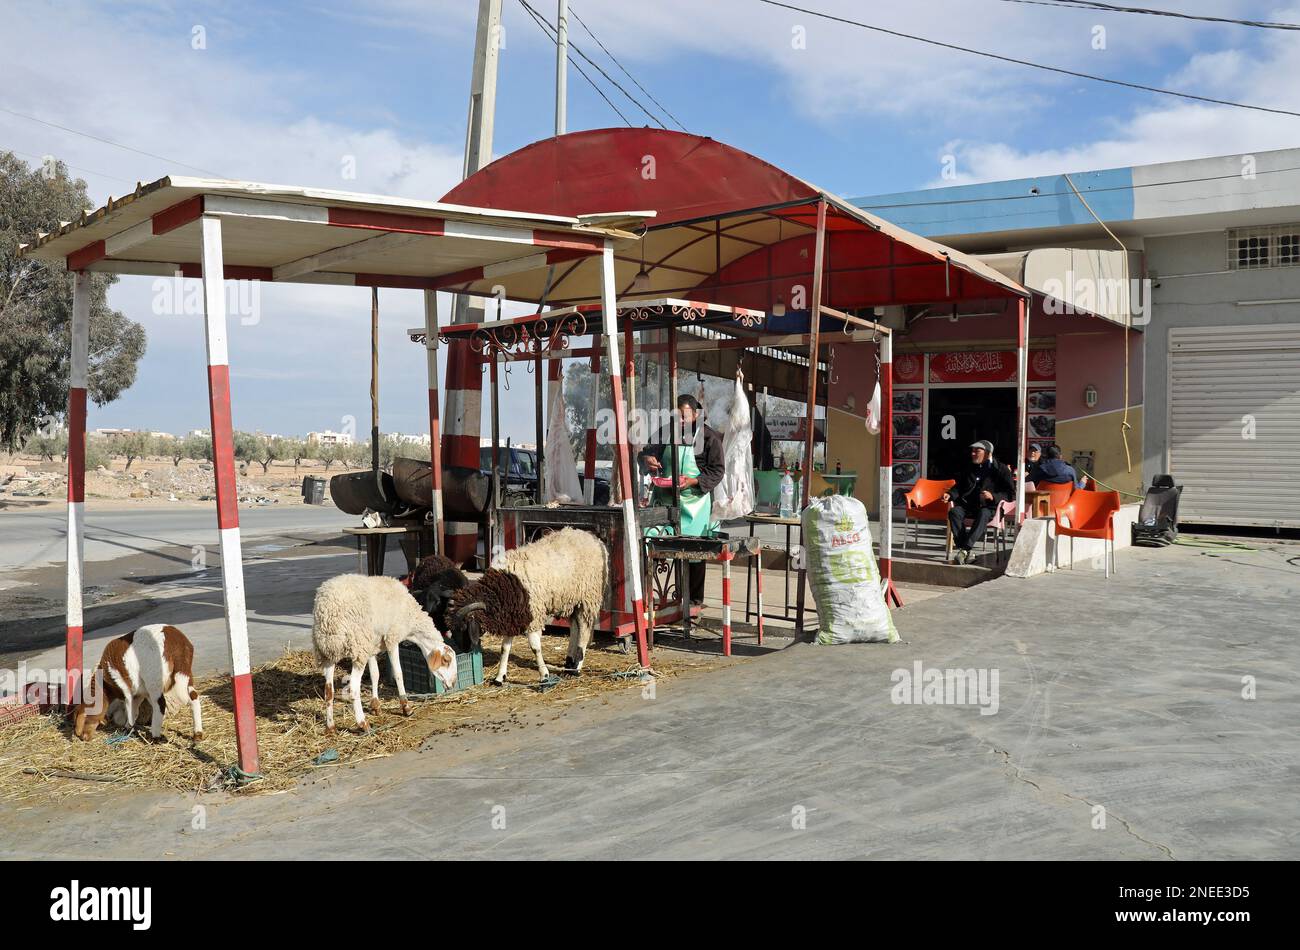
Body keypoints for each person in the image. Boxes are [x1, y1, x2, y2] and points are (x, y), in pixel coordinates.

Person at [638, 394, 725, 606]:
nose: (682, 421)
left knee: (694, 554)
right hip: (665, 501)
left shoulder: (709, 438)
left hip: (694, 505)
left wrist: (694, 481)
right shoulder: (664, 433)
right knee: (653, 547)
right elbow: (644, 455)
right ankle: (648, 600)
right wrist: (647, 460)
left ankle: (694, 603)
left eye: (685, 416)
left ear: (696, 414)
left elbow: (717, 471)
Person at [944, 439, 1013, 564]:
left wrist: (993, 496)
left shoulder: (1001, 469)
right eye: (972, 451)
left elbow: (1010, 493)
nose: (973, 454)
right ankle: (965, 550)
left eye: (977, 451)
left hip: (990, 508)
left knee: (984, 513)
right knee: (954, 512)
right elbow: (959, 486)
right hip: (970, 506)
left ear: (988, 453)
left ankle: (964, 550)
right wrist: (949, 494)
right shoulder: (970, 467)